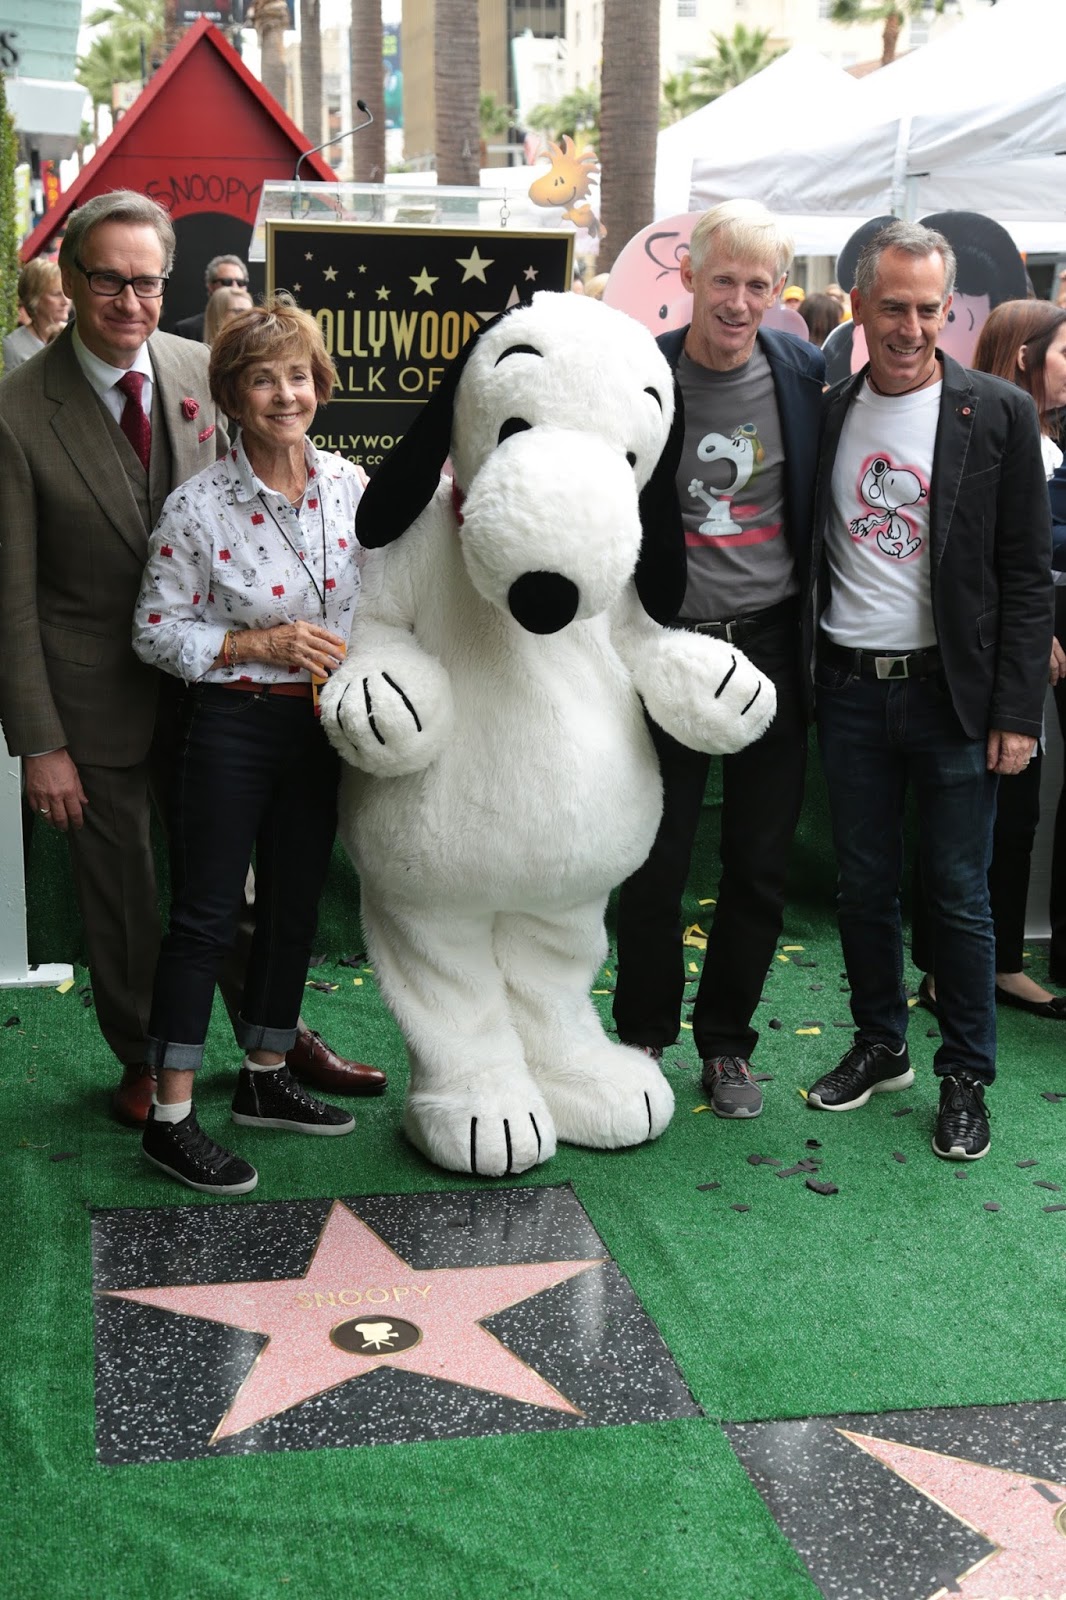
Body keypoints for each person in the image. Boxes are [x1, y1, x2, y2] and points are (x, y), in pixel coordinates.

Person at [0, 191, 382, 1131]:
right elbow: (8, 593)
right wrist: (38, 743)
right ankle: (144, 1059)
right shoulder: (15, 412)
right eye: (109, 280)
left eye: (147, 281)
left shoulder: (197, 366)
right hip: (100, 696)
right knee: (130, 891)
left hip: (225, 701)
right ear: (73, 281)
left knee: (243, 887)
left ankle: (273, 1039)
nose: (130, 300)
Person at [805, 221, 1054, 1161]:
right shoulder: (824, 407)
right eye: (893, 307)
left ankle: (965, 1075)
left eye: (928, 309)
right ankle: (881, 1045)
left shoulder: (995, 412)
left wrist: (1015, 713)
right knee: (863, 885)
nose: (911, 326)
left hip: (955, 698)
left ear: (950, 311)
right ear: (859, 305)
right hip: (851, 691)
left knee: (958, 892)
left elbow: (1027, 576)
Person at [132, 297, 365, 1195]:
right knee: (204, 917)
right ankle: (171, 1118)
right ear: (230, 395)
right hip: (230, 724)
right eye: (263, 379)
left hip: (322, 726)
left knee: (297, 907)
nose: (284, 394)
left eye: (298, 376)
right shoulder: (196, 506)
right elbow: (154, 632)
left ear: (320, 386)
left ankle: (267, 1078)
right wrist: (253, 645)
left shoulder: (352, 488)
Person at [613, 199, 825, 1118]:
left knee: (758, 864)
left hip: (772, 648)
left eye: (757, 285)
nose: (738, 301)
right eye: (724, 280)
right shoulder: (638, 375)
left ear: (777, 294)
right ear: (690, 280)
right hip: (667, 651)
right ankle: (644, 1037)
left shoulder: (804, 371)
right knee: (654, 862)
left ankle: (728, 1046)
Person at [912, 300, 1066, 1018]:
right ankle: (951, 966)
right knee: (977, 823)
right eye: (1065, 350)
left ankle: (997, 962)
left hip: (1016, 651)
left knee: (1017, 816)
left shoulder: (1036, 431)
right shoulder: (998, 431)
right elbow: (993, 560)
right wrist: (1034, 638)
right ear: (1028, 356)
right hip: (986, 659)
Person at [2, 258, 71, 372]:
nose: (66, 301)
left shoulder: (77, 335)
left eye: (66, 293)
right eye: (56, 294)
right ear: (34, 298)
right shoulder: (14, 345)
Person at [173, 254, 249, 341]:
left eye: (240, 283)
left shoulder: (256, 329)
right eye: (227, 282)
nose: (234, 287)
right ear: (210, 286)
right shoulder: (186, 331)